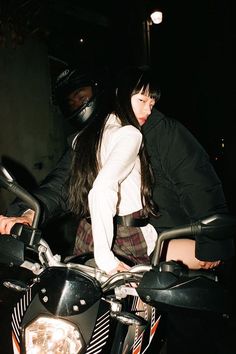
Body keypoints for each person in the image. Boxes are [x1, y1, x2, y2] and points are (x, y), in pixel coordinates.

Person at [0, 65, 234, 352]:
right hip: (94, 240)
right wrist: (26, 213)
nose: (148, 108)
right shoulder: (92, 135)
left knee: (183, 326)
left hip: (160, 241)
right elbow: (60, 183)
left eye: (151, 102)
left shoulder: (165, 134)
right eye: (72, 99)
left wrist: (212, 244)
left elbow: (200, 185)